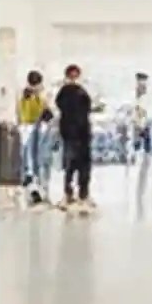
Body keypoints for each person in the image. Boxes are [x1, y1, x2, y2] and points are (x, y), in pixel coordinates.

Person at [55, 64, 95, 212]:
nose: (74, 78)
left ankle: (82, 194)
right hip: (72, 134)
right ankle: (71, 194)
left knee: (80, 165)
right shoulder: (69, 92)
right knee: (71, 165)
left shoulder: (79, 92)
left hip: (81, 133)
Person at [17, 70, 54, 207]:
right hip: (30, 128)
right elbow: (32, 113)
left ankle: (35, 185)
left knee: (31, 158)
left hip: (30, 128)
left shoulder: (32, 96)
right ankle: (35, 186)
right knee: (32, 158)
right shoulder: (30, 96)